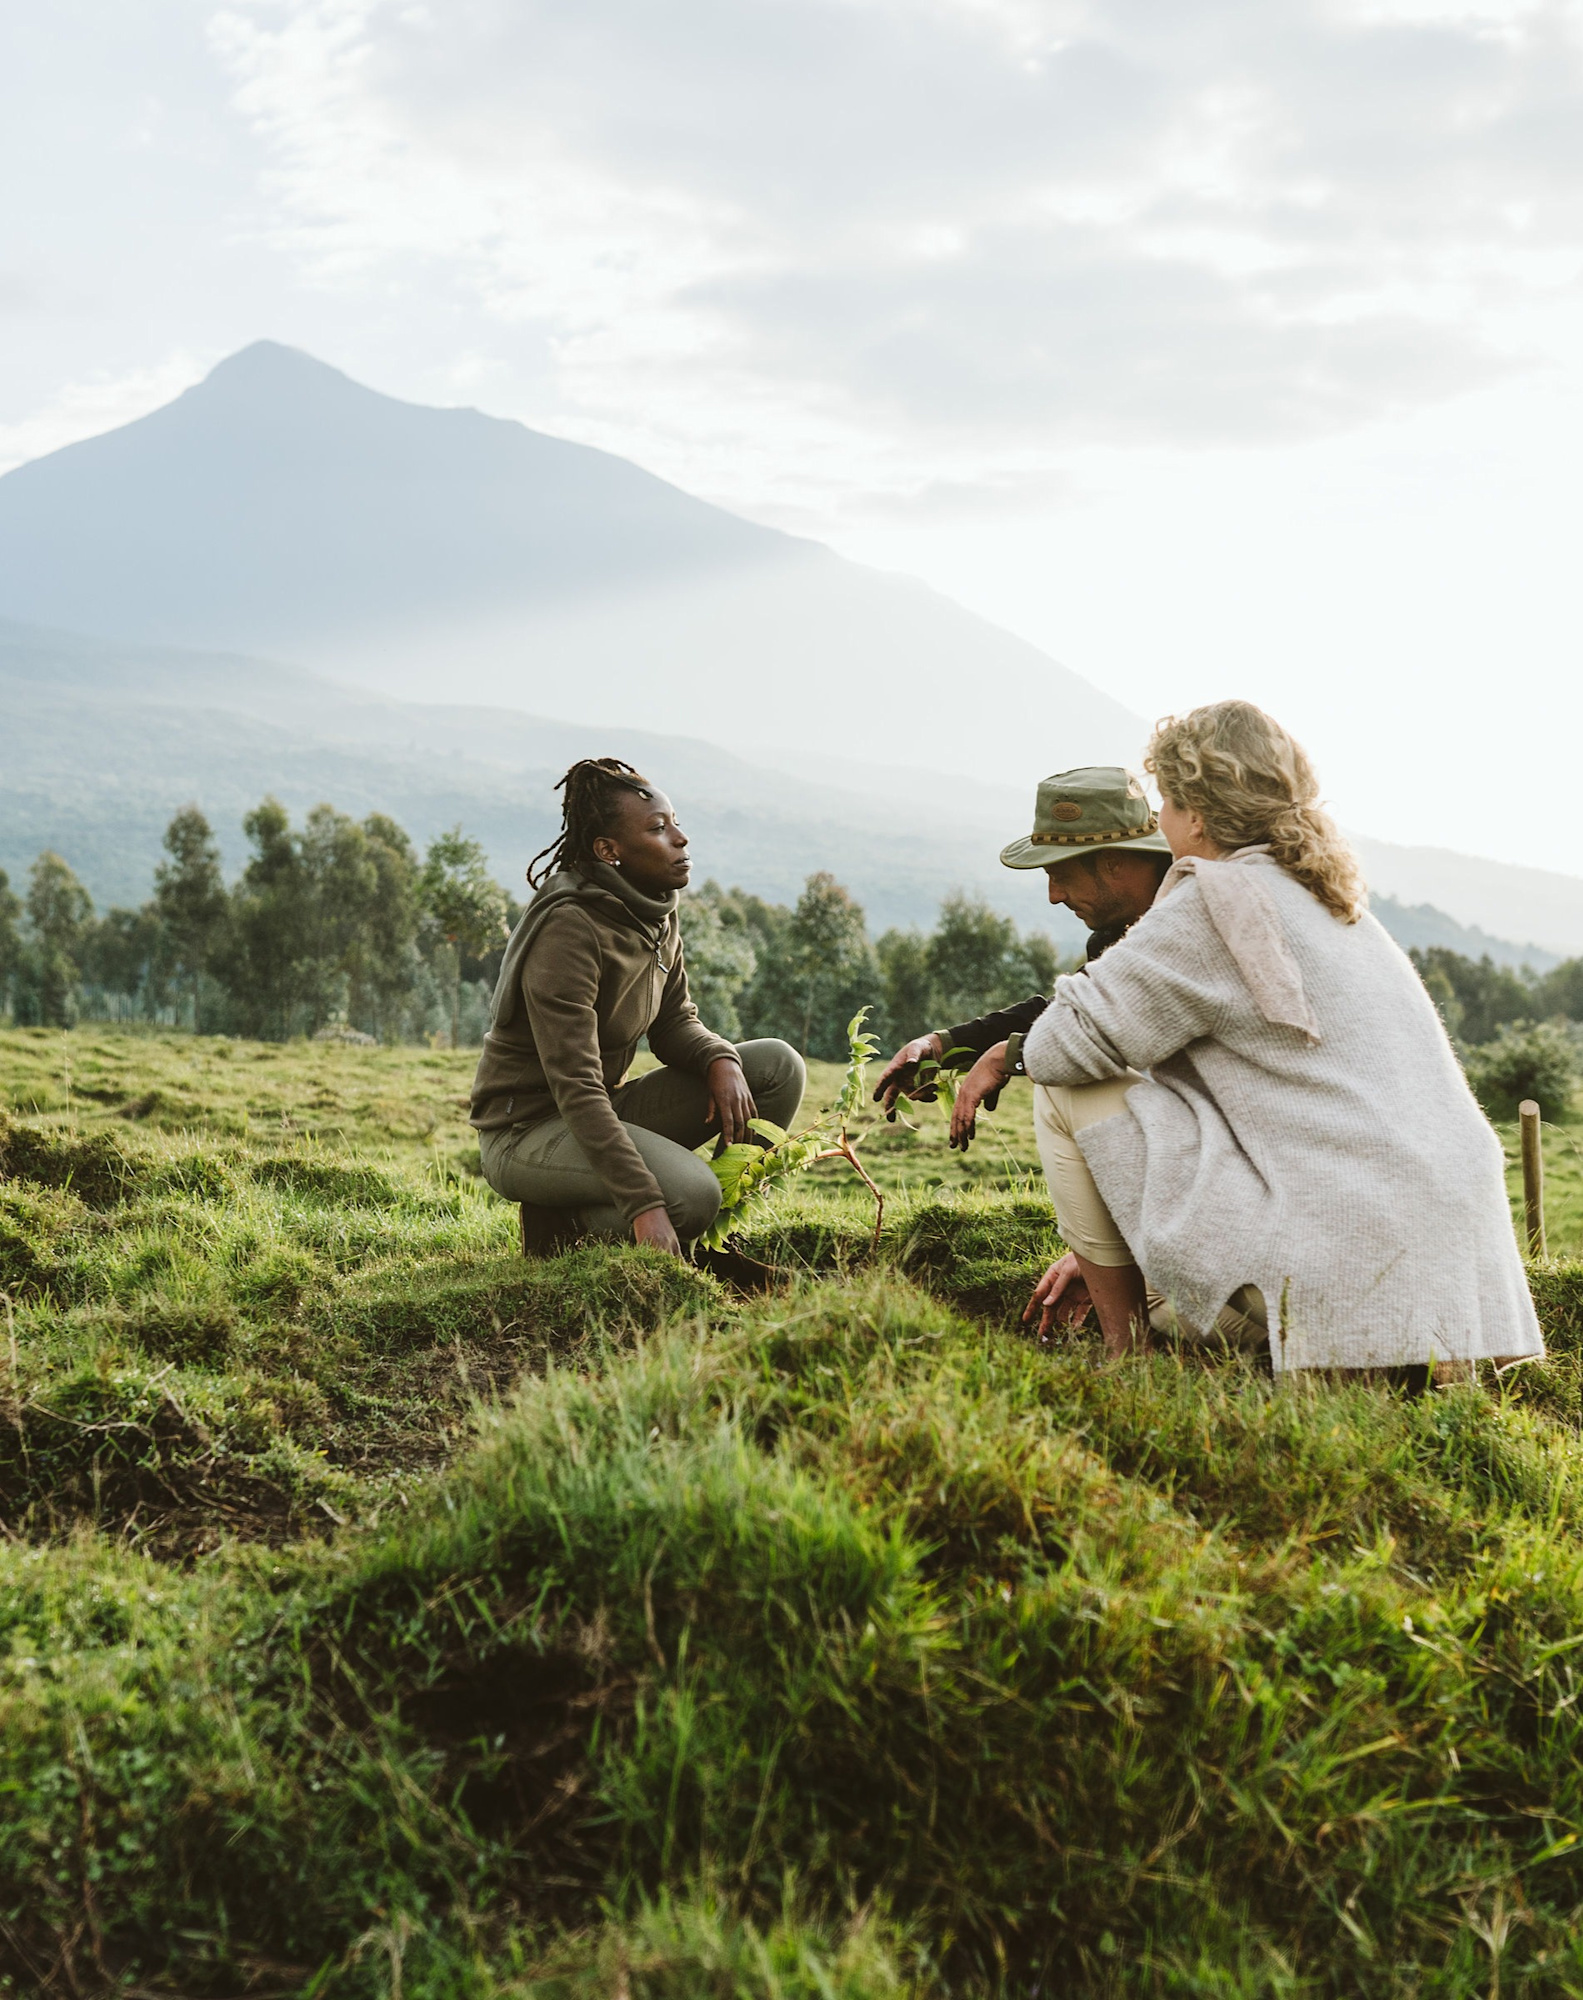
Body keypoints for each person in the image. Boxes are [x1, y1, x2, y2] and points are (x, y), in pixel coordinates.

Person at [990, 701, 1544, 1378]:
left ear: (1195, 812)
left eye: (1165, 802)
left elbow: (1054, 1049)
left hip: (1344, 1240)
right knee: (1182, 1308)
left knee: (1062, 1092)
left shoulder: (1214, 900)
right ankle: (1318, 1344)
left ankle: (1123, 1356)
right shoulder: (1334, 902)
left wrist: (1005, 1048)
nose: (1159, 825)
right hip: (1455, 1266)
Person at [470, 757, 805, 1267]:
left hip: (600, 1108)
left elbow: (674, 1023)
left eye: (676, 822)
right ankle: (564, 1223)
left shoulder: (655, 911)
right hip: (527, 1132)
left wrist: (720, 1059)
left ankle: (712, 1245)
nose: (680, 838)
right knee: (690, 1195)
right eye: (657, 828)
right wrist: (644, 1202)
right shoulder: (569, 929)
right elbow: (577, 1086)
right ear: (610, 851)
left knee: (776, 1068)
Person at [874, 766, 1173, 1131]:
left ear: (1112, 861)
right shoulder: (1126, 928)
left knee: (1060, 1087)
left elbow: (1114, 1029)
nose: (1054, 896)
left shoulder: (1185, 919)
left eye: (1060, 877)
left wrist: (1008, 1057)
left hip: (1232, 1146)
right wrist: (940, 1045)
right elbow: (1068, 1014)